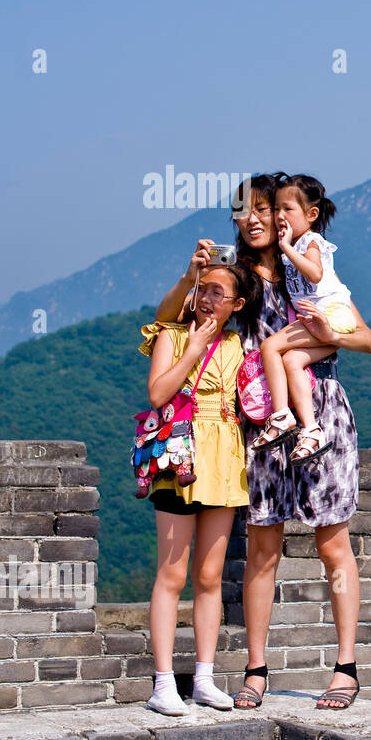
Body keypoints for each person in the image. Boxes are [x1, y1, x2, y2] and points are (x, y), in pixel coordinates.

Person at [152, 172, 371, 711]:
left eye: (262, 209)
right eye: (242, 211)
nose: (252, 219)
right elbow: (165, 323)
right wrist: (192, 277)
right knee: (261, 548)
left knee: (332, 544)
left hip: (322, 410)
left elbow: (366, 339)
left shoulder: (312, 274)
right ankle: (256, 670)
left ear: (284, 215)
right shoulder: (232, 279)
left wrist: (328, 334)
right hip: (260, 422)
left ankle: (345, 668)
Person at [140, 262, 253, 716]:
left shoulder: (238, 343)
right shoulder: (171, 335)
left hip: (225, 459)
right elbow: (157, 394)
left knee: (209, 579)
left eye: (218, 293)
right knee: (172, 574)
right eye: (203, 289)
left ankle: (205, 677)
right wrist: (194, 348)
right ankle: (164, 682)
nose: (207, 299)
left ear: (236, 305)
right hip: (180, 458)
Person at [250, 174, 358, 464]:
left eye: (288, 209)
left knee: (270, 347)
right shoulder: (295, 246)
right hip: (328, 322)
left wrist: (286, 247)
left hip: (330, 315)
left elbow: (315, 273)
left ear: (311, 215)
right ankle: (311, 430)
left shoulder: (310, 241)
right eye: (277, 209)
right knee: (292, 360)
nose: (280, 216)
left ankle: (281, 415)